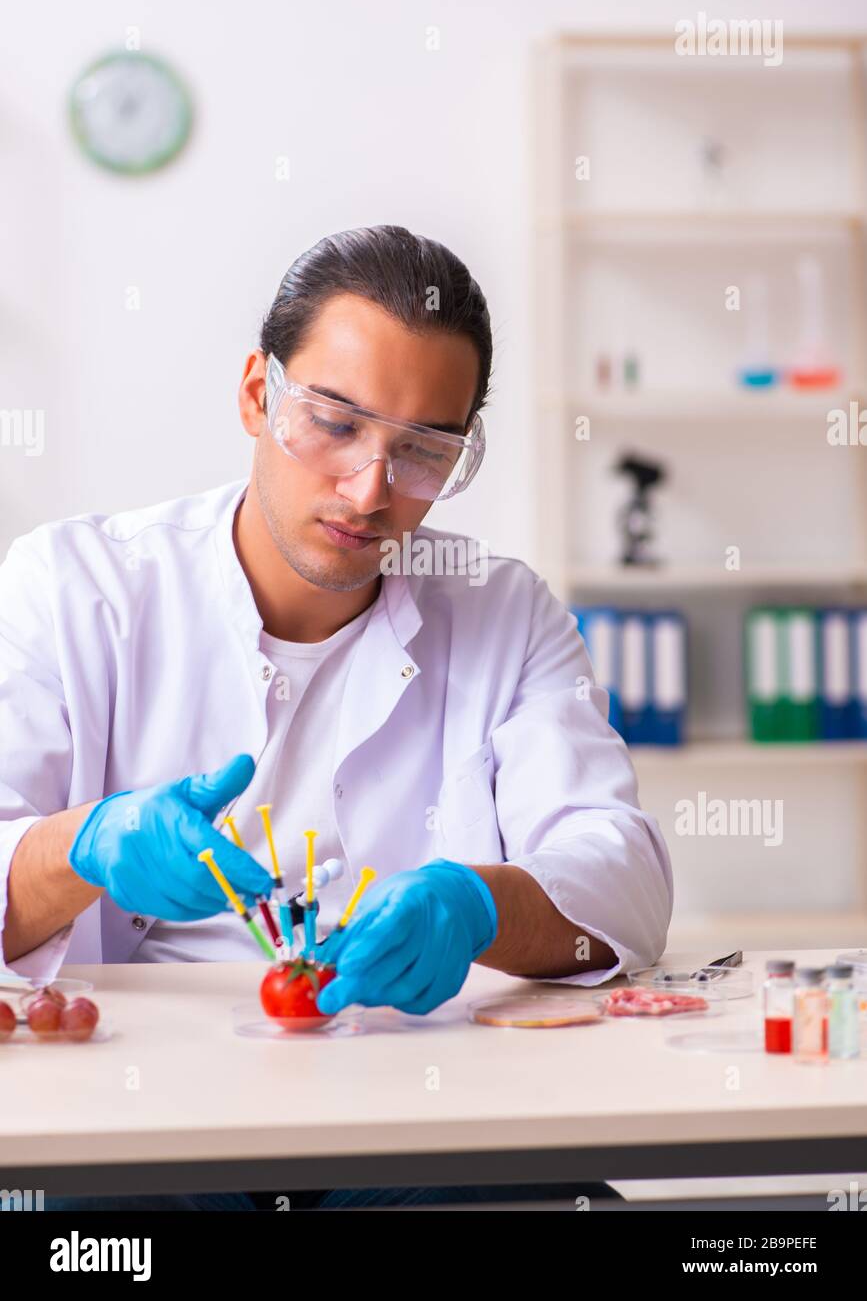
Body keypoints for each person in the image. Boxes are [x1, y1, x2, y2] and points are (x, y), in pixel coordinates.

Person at [0, 225, 672, 1209]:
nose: (369, 489)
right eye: (336, 421)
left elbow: (624, 882)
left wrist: (482, 904)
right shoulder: (75, 586)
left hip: (422, 1115)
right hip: (136, 1121)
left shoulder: (502, 611)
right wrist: (81, 848)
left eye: (423, 450)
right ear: (254, 395)